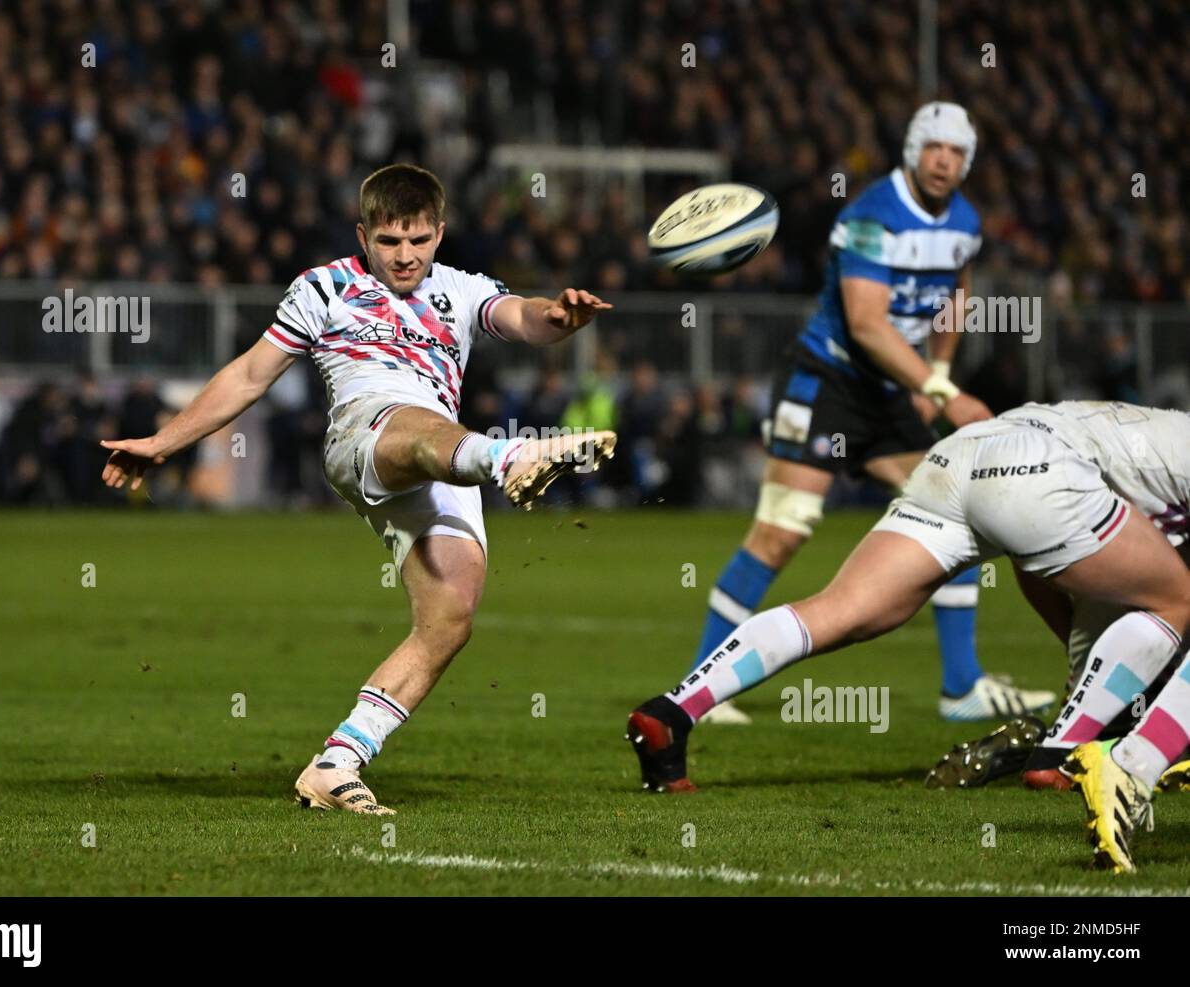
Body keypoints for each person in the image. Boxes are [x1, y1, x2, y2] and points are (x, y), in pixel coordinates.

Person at [101, 164, 616, 814]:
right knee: (421, 423)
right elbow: (249, 375)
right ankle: (511, 454)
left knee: (450, 617)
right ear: (363, 234)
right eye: (391, 241)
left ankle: (338, 760)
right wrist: (163, 442)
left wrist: (560, 315)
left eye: (420, 240)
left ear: (440, 232)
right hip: (366, 434)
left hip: (445, 463)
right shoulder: (324, 287)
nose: (406, 255)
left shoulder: (461, 289)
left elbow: (521, 316)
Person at [626, 401, 1190, 873]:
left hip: (962, 455)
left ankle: (673, 712)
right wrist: (1084, 709)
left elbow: (1039, 562)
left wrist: (1083, 678)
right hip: (1039, 473)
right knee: (1178, 600)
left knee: (837, 610)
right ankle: (1066, 751)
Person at [689, 102, 1054, 725]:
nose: (944, 160)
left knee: (956, 505)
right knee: (784, 528)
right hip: (825, 380)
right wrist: (944, 392)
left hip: (885, 390)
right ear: (912, 151)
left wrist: (932, 371)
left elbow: (956, 293)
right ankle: (700, 684)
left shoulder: (964, 219)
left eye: (957, 152)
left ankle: (961, 686)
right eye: (934, 147)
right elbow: (865, 324)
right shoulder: (868, 216)